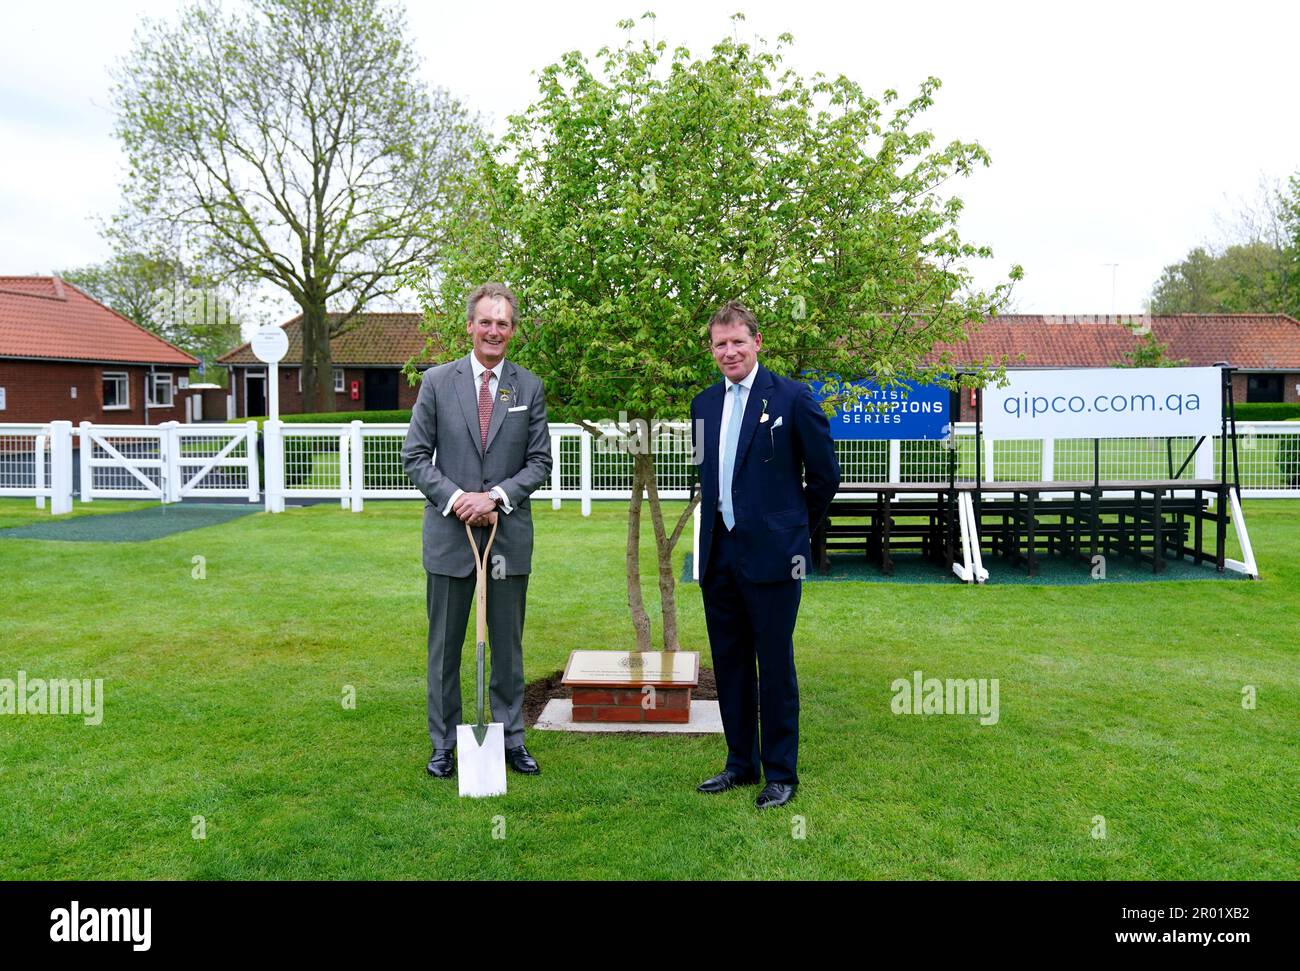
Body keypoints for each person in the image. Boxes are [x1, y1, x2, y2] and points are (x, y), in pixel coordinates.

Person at [689, 300, 840, 809]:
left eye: (737, 341)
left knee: (774, 664)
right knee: (730, 662)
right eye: (719, 344)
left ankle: (781, 772)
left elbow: (824, 477)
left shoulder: (793, 398)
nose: (729, 351)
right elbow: (708, 477)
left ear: (757, 342)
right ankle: (740, 763)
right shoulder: (704, 405)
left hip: (775, 556)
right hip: (718, 555)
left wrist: (793, 531)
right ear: (711, 350)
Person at [402, 282, 552, 779]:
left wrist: (496, 498)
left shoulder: (527, 387)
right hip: (450, 537)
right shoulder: (438, 383)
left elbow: (540, 461)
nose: (494, 330)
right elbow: (416, 457)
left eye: (503, 323)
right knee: (444, 647)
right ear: (469, 326)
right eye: (485, 321)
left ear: (512, 330)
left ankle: (510, 738)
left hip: (507, 539)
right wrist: (457, 499)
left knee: (507, 646)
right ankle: (444, 743)